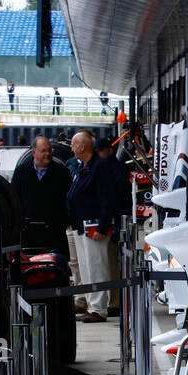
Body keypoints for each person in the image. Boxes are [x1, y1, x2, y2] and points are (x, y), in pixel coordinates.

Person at [65, 130, 113, 322]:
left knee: (96, 267)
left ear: (82, 146)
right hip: (80, 225)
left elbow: (107, 198)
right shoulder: (82, 167)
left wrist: (102, 226)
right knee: (85, 268)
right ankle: (92, 304)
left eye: (73, 144)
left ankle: (99, 308)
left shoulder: (98, 167)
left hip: (94, 227)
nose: (71, 147)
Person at [11, 135, 72, 260]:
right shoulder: (21, 171)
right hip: (28, 233)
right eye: (43, 151)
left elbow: (69, 200)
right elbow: (15, 199)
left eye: (49, 150)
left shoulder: (62, 172)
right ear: (34, 152)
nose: (48, 153)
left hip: (55, 233)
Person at [95, 133, 130, 317]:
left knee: (111, 263)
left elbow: (113, 198)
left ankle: (114, 301)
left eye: (100, 151)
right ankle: (114, 300)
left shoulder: (112, 168)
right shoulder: (116, 167)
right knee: (111, 263)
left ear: (108, 150)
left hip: (116, 220)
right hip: (117, 219)